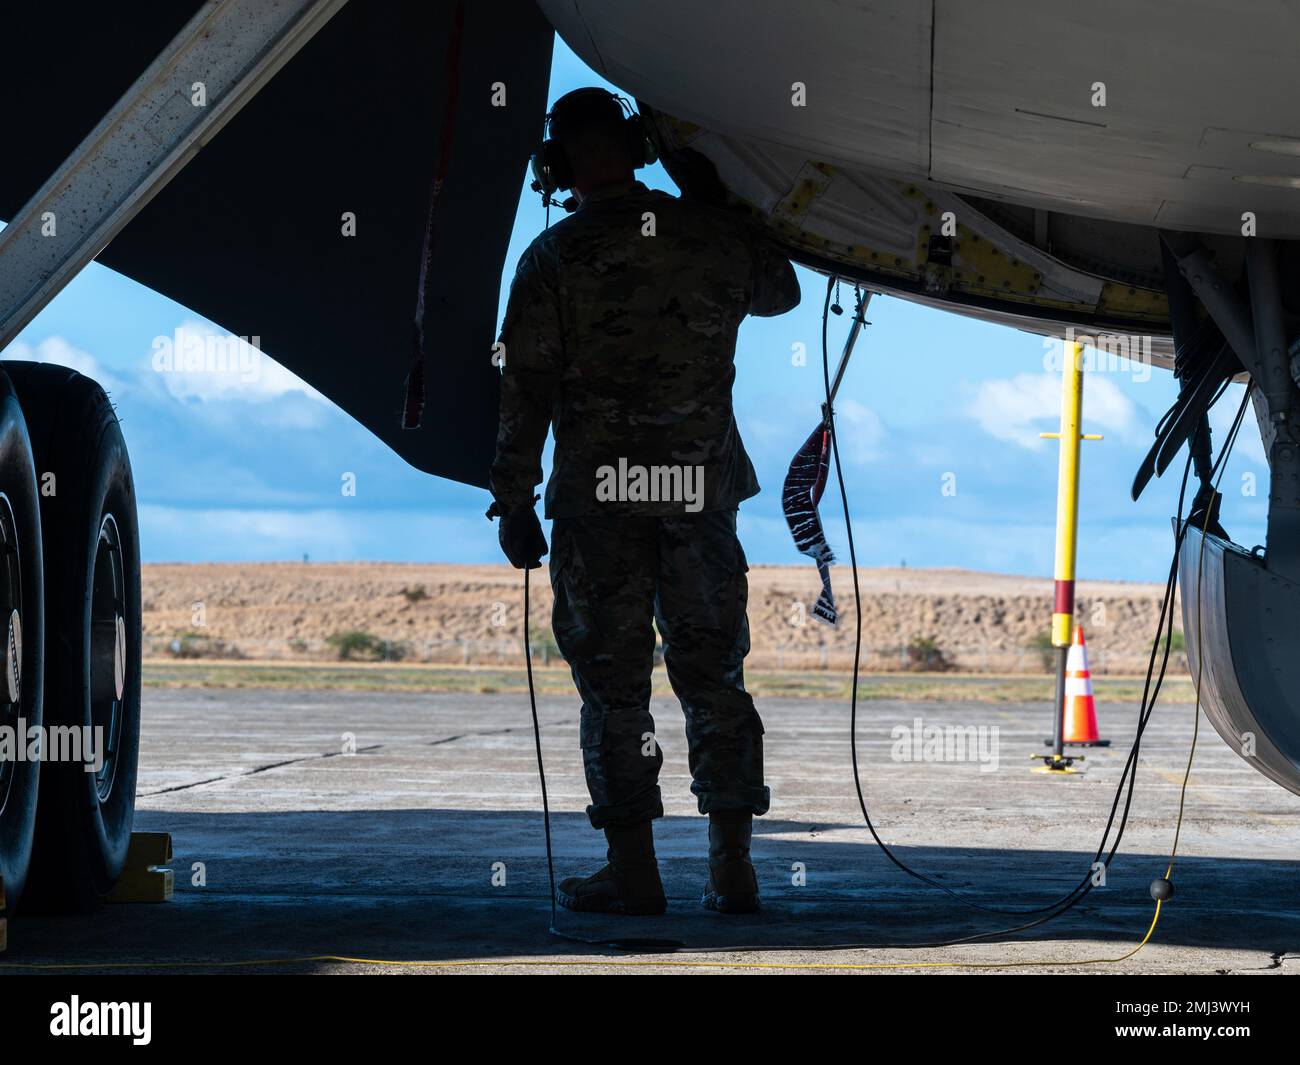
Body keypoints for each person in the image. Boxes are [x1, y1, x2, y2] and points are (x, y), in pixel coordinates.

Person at [488, 87, 800, 916]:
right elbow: (783, 292)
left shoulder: (555, 259)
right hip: (698, 488)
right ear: (633, 146)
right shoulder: (709, 239)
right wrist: (710, 197)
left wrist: (512, 499)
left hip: (603, 499)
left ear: (555, 164)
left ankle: (635, 869)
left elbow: (524, 388)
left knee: (616, 686)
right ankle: (733, 865)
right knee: (712, 671)